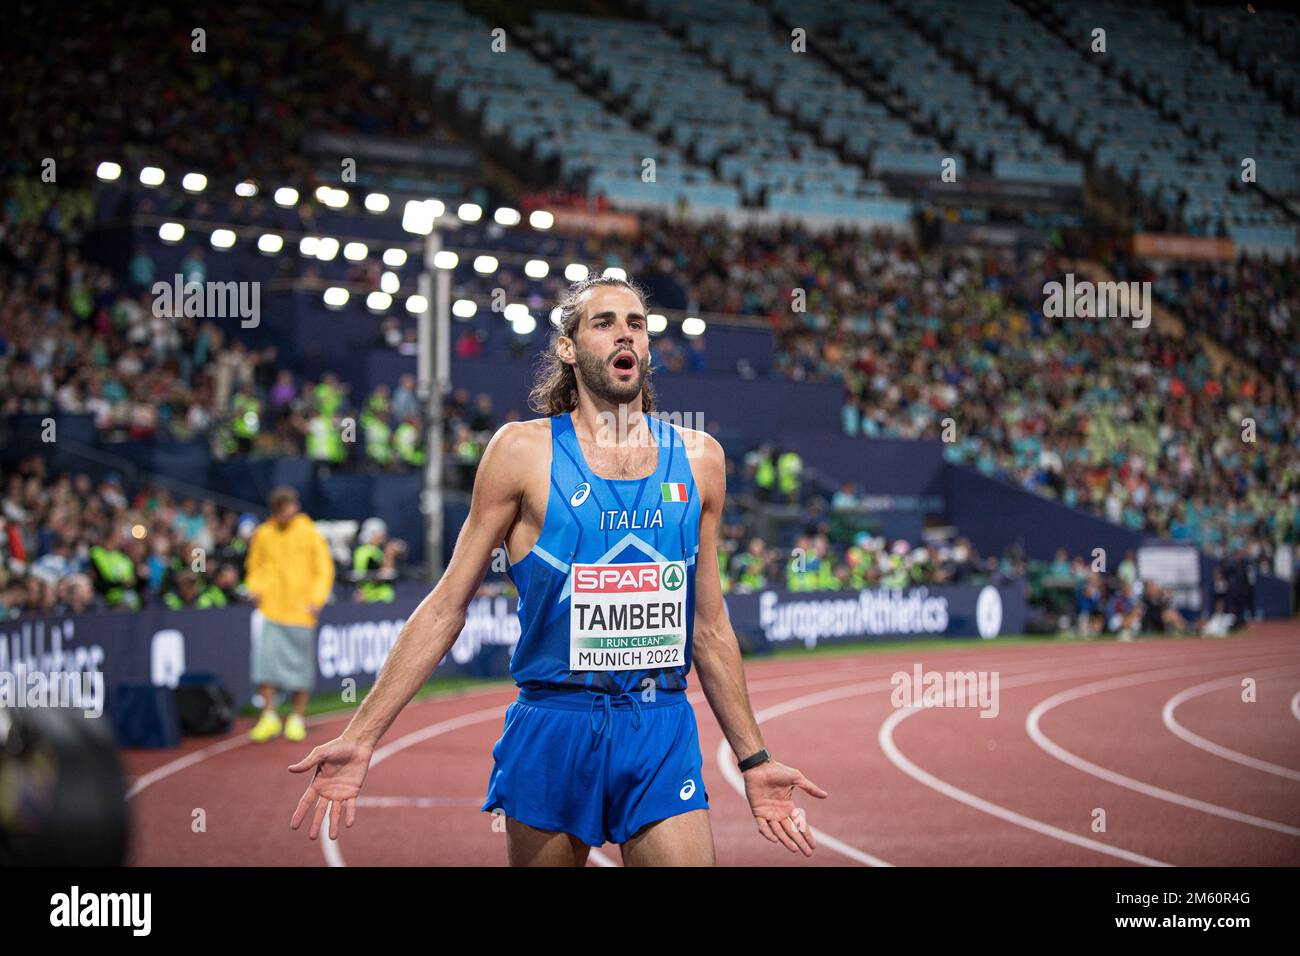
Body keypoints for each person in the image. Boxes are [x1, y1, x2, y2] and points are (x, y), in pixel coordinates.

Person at [287, 275, 827, 866]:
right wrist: (361, 736)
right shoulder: (522, 452)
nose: (625, 333)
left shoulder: (701, 460)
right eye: (604, 322)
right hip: (553, 727)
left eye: (636, 323)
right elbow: (446, 606)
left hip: (659, 727)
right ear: (568, 348)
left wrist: (754, 761)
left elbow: (710, 628)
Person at [245, 487, 335, 743]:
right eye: (283, 510)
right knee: (265, 666)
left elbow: (323, 568)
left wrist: (317, 600)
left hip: (301, 612)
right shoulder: (263, 534)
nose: (289, 513)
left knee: (301, 669)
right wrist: (255, 588)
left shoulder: (309, 532)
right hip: (271, 610)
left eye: (291, 508)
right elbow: (255, 565)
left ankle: (296, 718)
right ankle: (269, 716)